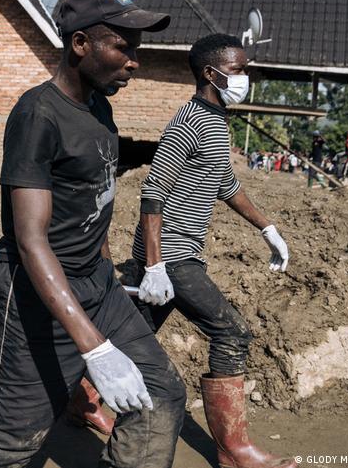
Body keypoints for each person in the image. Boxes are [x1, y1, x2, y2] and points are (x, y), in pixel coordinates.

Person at [0, 0, 185, 468]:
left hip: (96, 284)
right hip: (37, 293)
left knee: (160, 393)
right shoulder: (38, 114)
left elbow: (92, 203)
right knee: (13, 440)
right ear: (81, 44)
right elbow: (31, 238)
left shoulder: (100, 107)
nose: (135, 61)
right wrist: (95, 349)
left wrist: (114, 283)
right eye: (123, 46)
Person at [131, 33, 295, 468]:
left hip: (178, 253)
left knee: (133, 333)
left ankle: (82, 402)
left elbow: (225, 184)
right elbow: (153, 191)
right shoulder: (189, 121)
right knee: (232, 332)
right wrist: (153, 266)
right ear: (211, 73)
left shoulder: (216, 121)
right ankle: (233, 449)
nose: (245, 78)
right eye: (239, 70)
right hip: (171, 255)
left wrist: (268, 228)